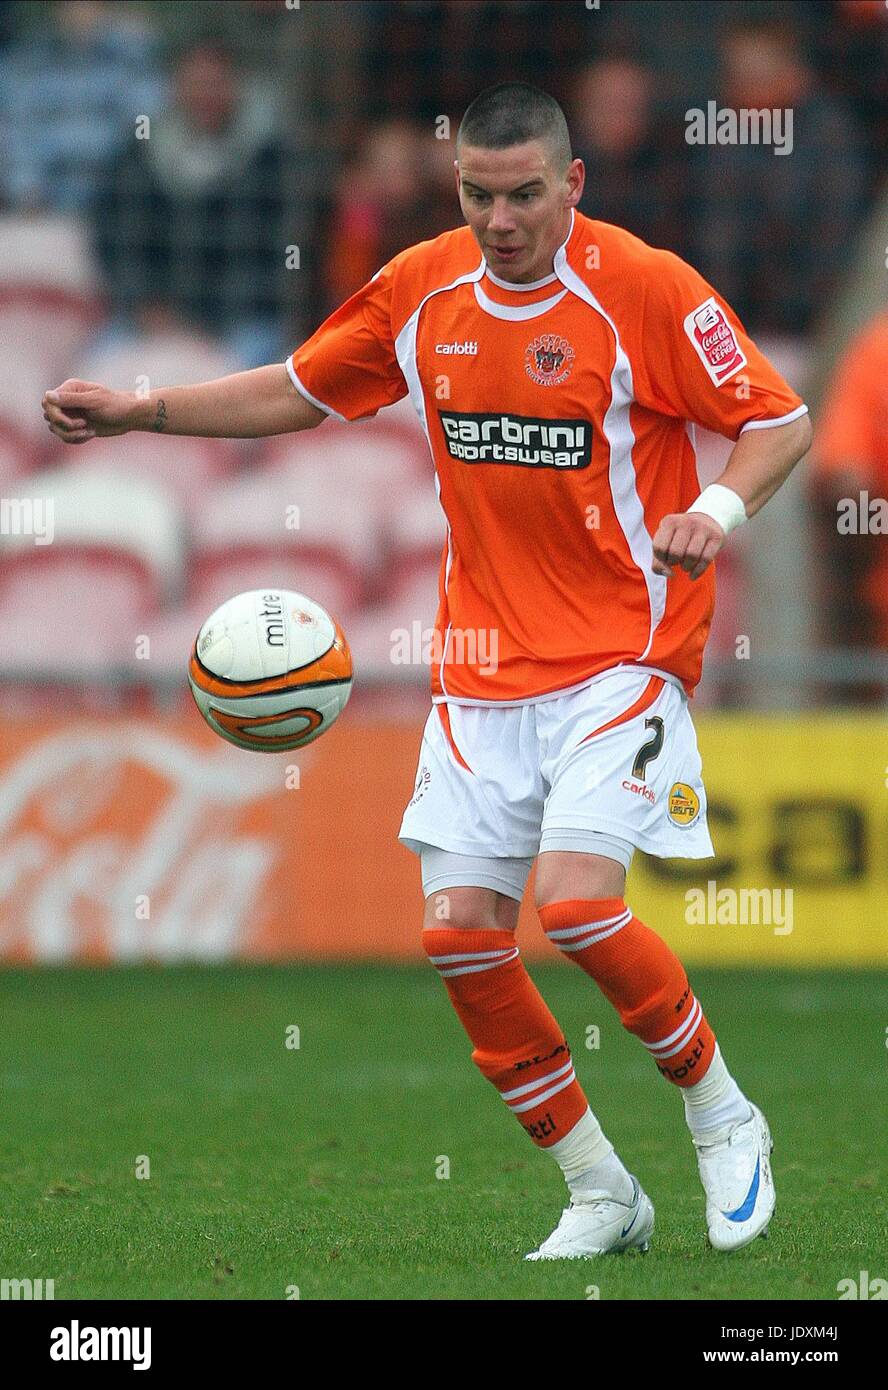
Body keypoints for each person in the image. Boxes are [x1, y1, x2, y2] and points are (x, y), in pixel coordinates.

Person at [42, 82, 812, 1260]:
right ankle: (601, 1189)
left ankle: (721, 1112)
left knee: (577, 907)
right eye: (477, 195)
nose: (499, 220)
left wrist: (713, 509)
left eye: (524, 195)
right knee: (459, 937)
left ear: (573, 184)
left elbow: (779, 419)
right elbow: (297, 389)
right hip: (479, 668)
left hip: (622, 654)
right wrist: (141, 410)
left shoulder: (644, 287)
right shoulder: (421, 288)